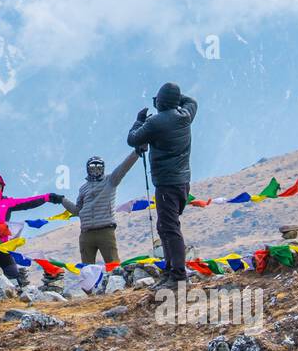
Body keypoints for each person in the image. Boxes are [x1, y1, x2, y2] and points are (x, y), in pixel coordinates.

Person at [127, 83, 198, 289]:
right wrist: (173, 99)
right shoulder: (185, 116)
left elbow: (133, 139)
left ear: (160, 102)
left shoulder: (156, 122)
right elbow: (191, 101)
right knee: (165, 226)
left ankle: (177, 276)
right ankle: (170, 271)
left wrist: (138, 120)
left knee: (169, 227)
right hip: (183, 181)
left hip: (166, 183)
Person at [60, 150, 143, 264]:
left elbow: (124, 167)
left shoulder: (111, 180)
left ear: (103, 168)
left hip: (105, 231)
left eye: (98, 167)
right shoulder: (83, 188)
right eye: (92, 167)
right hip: (86, 234)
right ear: (87, 169)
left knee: (113, 266)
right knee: (87, 271)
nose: (95, 169)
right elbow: (77, 211)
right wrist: (62, 200)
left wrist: (136, 152)